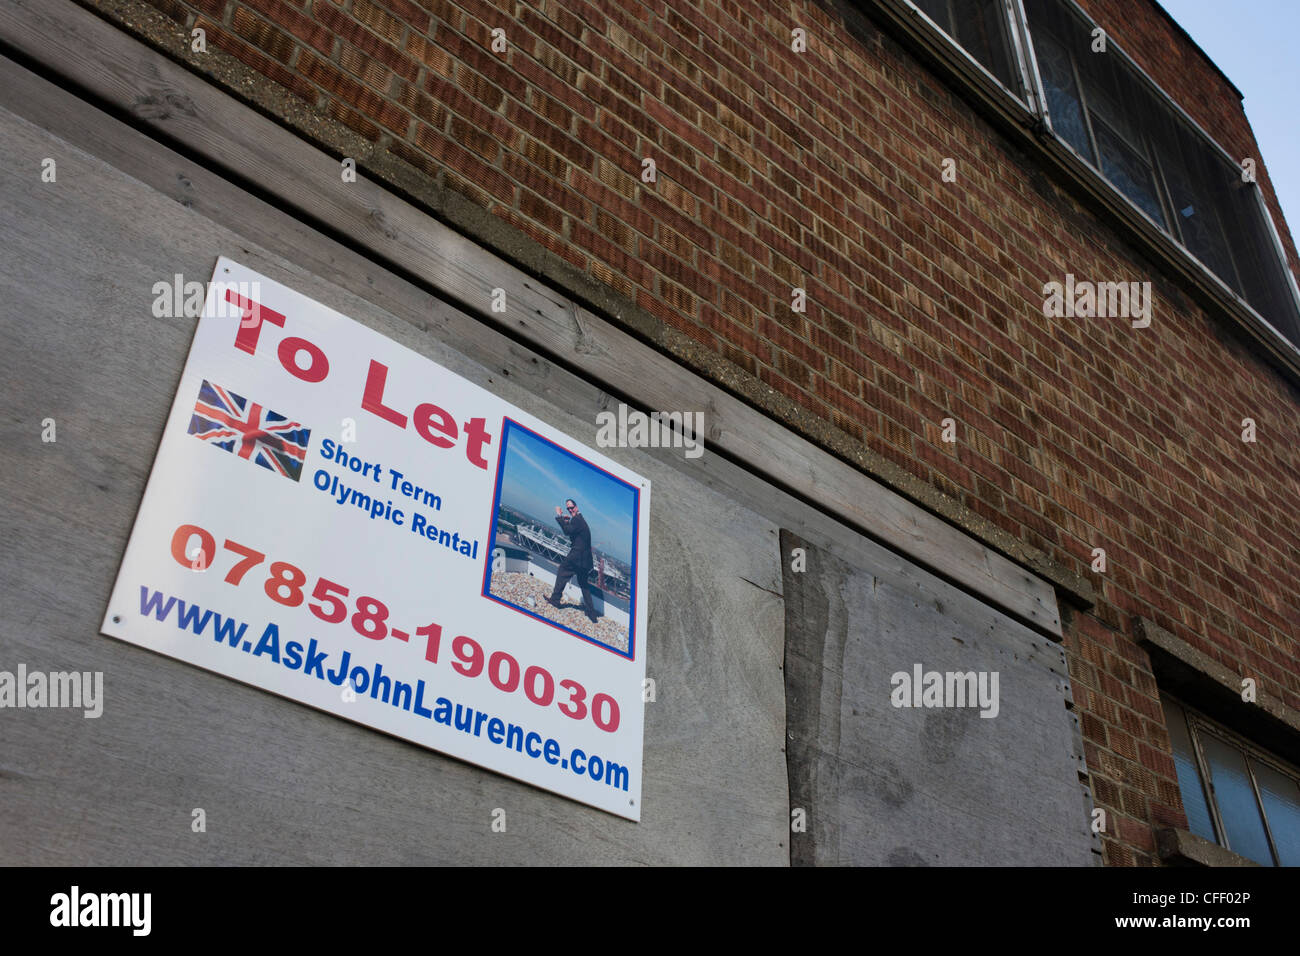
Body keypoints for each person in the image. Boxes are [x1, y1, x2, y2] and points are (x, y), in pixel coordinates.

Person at [547, 498, 599, 624]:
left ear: (576, 507)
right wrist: (567, 521)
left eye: (571, 507)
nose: (570, 510)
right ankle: (592, 614)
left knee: (562, 571)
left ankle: (555, 599)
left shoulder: (577, 519)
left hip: (576, 557)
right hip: (585, 561)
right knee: (584, 585)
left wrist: (559, 515)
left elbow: (566, 531)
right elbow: (574, 534)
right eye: (568, 508)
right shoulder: (580, 520)